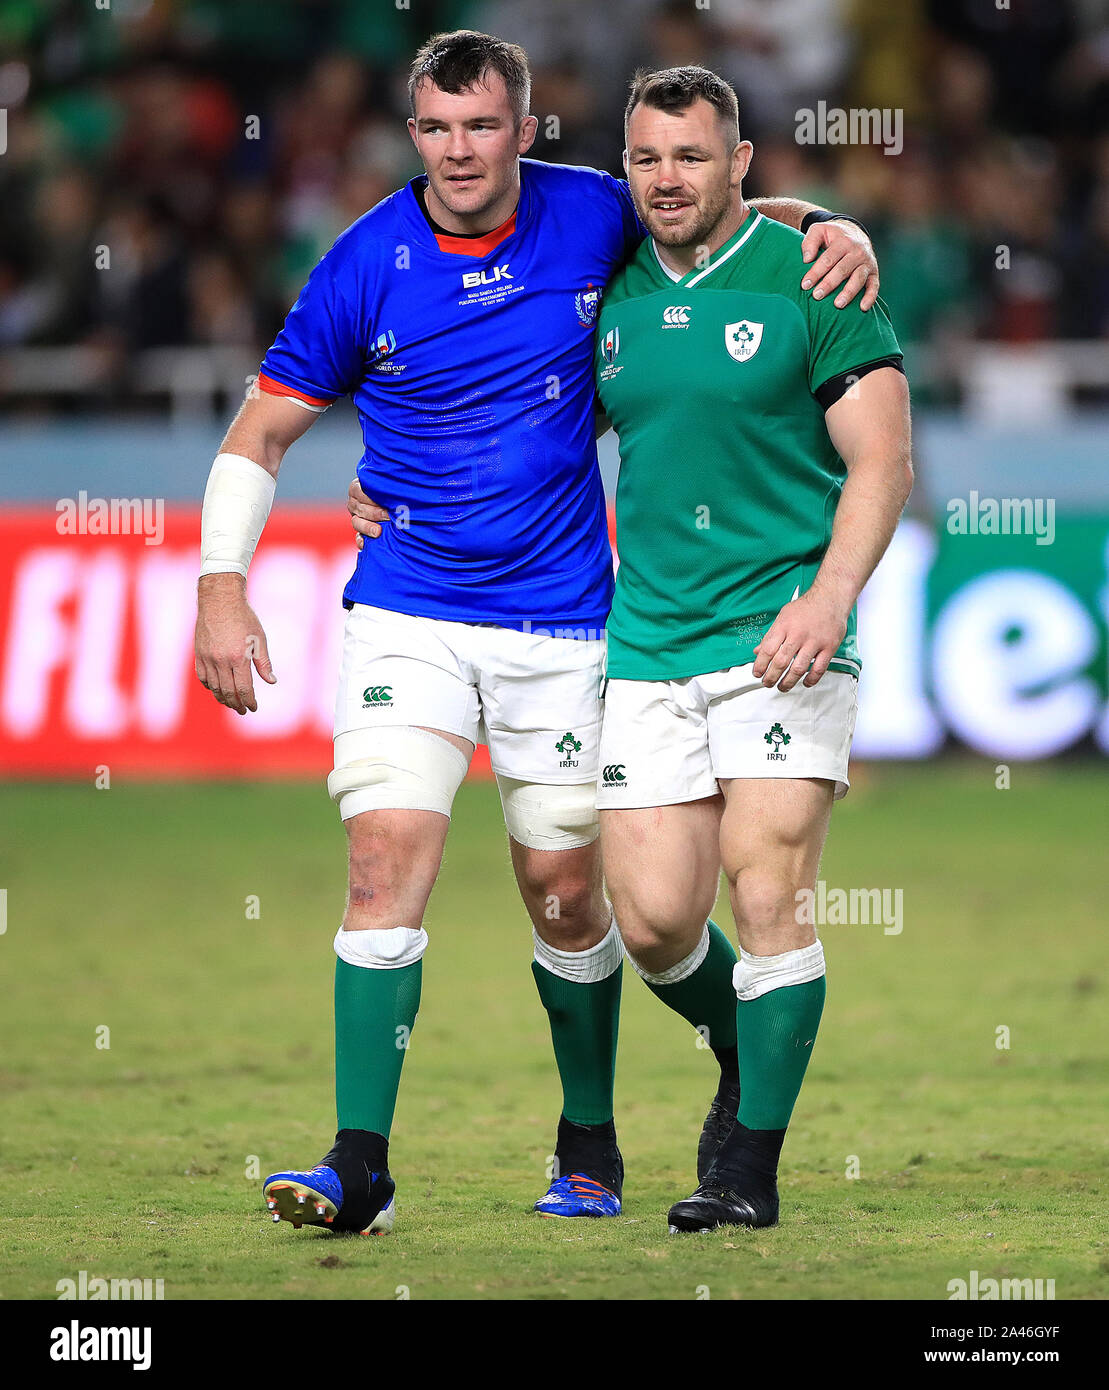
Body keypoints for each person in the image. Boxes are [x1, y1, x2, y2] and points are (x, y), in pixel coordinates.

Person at [195, 30, 881, 1235]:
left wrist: (835, 222)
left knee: (572, 897)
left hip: (564, 621)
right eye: (436, 128)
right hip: (404, 606)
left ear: (523, 131)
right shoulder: (363, 261)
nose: (460, 150)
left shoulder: (593, 213)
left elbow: (710, 208)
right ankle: (360, 1163)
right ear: (412, 134)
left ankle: (600, 1142)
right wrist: (218, 582)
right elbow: (258, 435)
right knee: (379, 865)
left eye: (483, 126)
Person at [590, 65, 912, 1233]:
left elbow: (882, 458)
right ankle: (751, 1049)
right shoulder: (605, 287)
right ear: (622, 166)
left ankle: (745, 1170)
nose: (665, 178)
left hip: (783, 632)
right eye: (644, 157)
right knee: (655, 924)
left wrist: (829, 597)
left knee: (767, 888)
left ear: (741, 163)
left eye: (690, 155)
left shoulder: (814, 273)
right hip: (645, 640)